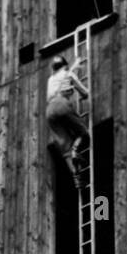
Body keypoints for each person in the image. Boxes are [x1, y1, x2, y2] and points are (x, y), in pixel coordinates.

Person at [46, 53, 89, 186]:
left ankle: (77, 178)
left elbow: (64, 74)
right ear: (65, 66)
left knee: (65, 149)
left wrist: (74, 66)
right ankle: (76, 150)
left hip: (49, 111)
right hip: (62, 104)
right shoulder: (68, 74)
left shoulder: (50, 79)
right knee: (83, 133)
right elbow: (85, 93)